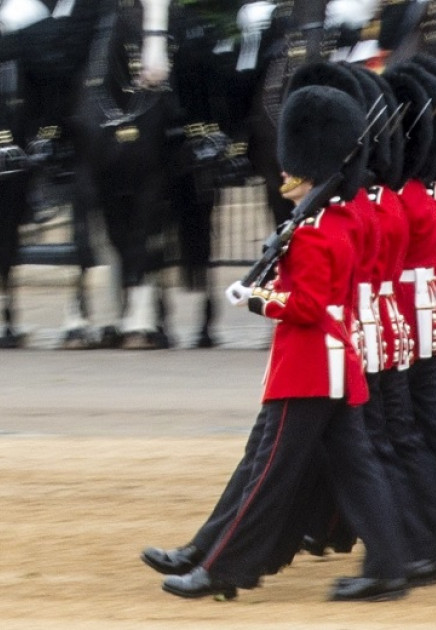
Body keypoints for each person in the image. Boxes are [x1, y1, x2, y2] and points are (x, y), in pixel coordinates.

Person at [145, 78, 410, 602]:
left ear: (311, 163)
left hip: (308, 368)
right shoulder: (332, 219)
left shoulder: (314, 230)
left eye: (291, 164)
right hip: (334, 365)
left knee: (268, 473)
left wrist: (257, 299)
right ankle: (389, 563)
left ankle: (224, 568)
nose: (283, 171)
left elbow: (308, 306)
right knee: (354, 472)